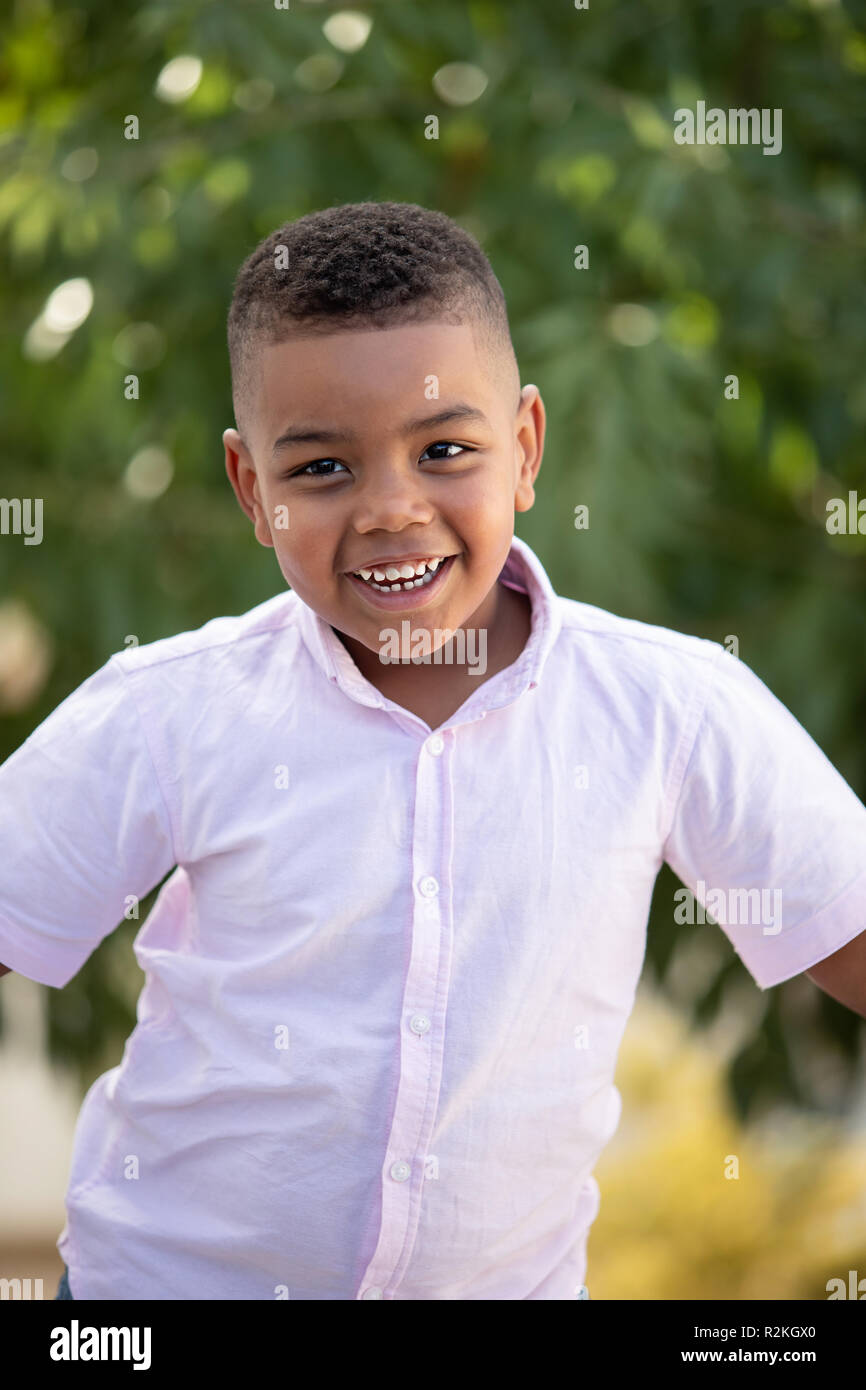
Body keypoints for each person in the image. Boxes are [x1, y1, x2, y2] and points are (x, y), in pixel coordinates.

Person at [1, 201, 864, 1301]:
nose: (391, 510)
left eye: (444, 450)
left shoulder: (671, 709)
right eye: (322, 469)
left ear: (526, 448)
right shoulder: (168, 713)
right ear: (252, 490)